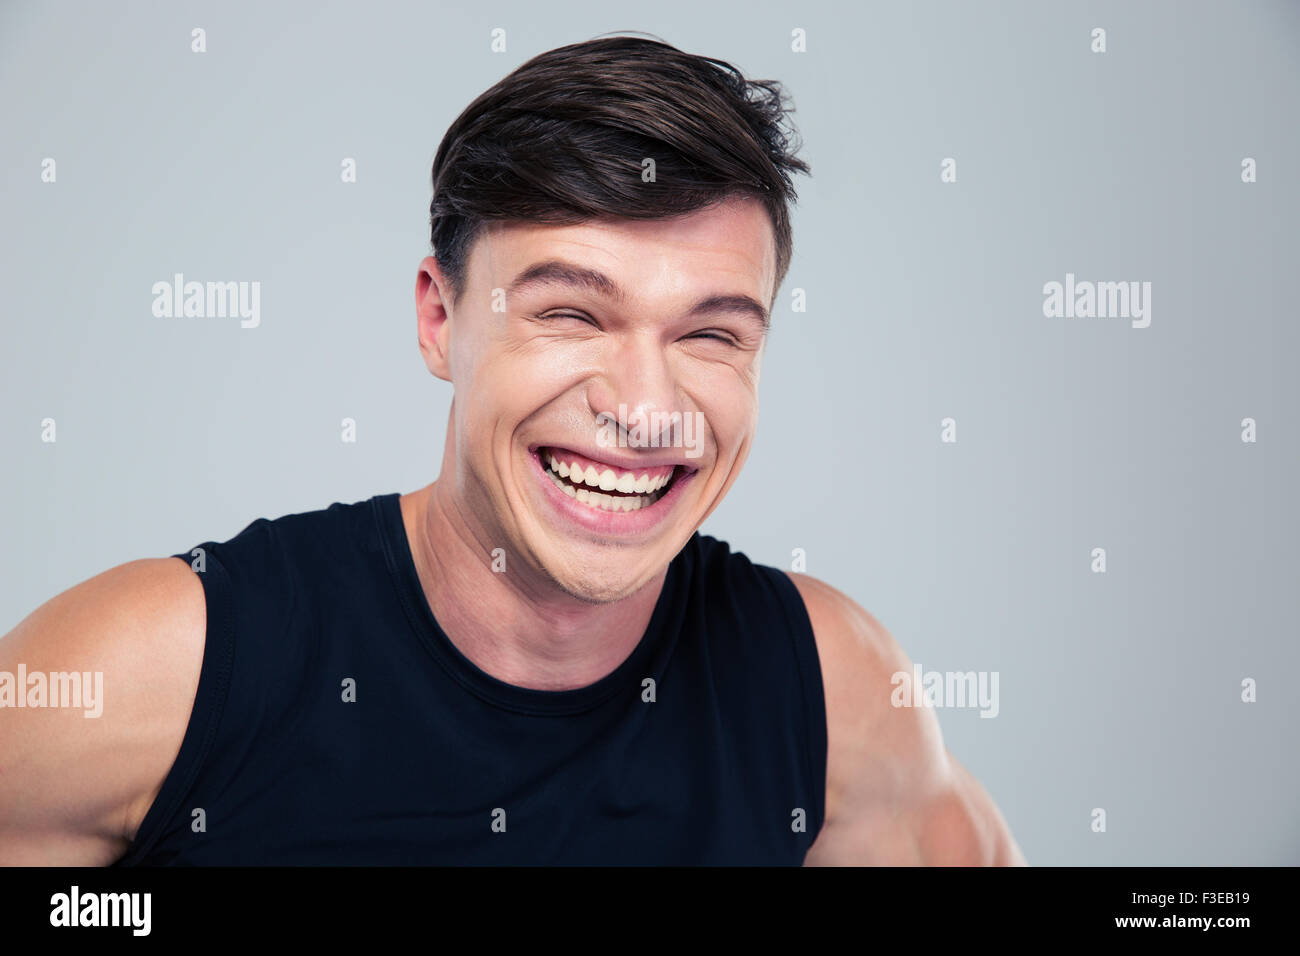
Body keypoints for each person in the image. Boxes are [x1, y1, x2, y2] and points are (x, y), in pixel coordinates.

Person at [0, 35, 1025, 866]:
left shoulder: (829, 688)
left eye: (710, 333)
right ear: (440, 319)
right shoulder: (157, 667)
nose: (642, 406)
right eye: (571, 313)